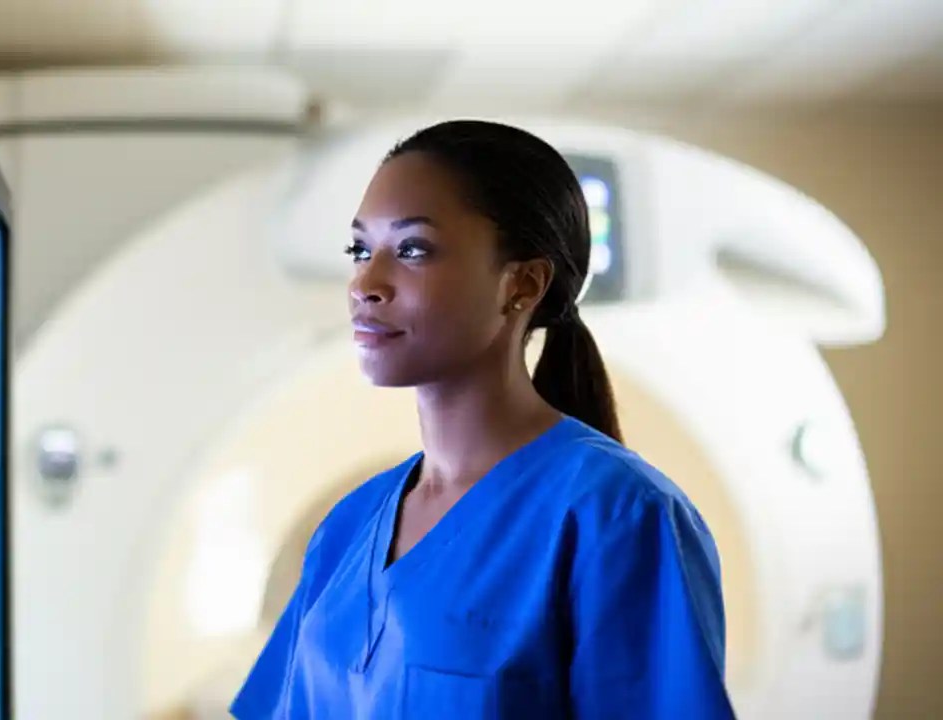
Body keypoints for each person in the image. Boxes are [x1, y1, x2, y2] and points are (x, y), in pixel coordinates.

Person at [230, 120, 736, 719]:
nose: (366, 283)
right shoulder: (348, 526)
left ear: (522, 283)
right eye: (360, 251)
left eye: (412, 250)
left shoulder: (618, 516)